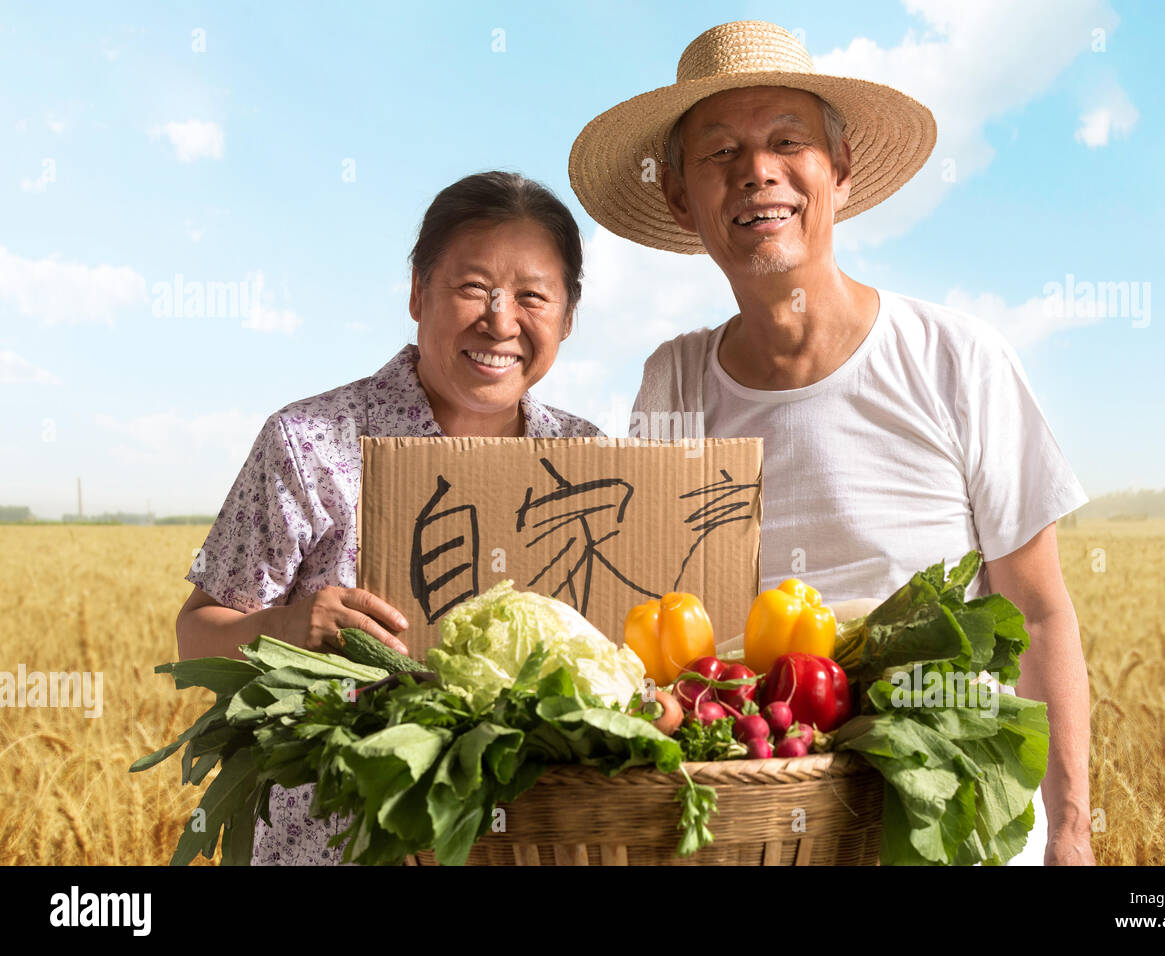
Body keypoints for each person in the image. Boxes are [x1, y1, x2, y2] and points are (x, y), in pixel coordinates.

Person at [569, 20, 1094, 866]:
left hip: (955, 819)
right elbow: (659, 624)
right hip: (764, 826)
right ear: (678, 198)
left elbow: (1037, 610)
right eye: (720, 153)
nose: (757, 172)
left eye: (788, 143)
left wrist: (1070, 835)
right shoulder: (672, 383)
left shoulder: (957, 359)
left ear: (839, 173)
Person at [175, 170, 601, 865]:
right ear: (417, 292)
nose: (500, 320)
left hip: (523, 843)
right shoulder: (309, 442)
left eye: (533, 297)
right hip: (333, 843)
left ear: (567, 318)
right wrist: (286, 627)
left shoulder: (585, 457)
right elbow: (196, 637)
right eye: (473, 288)